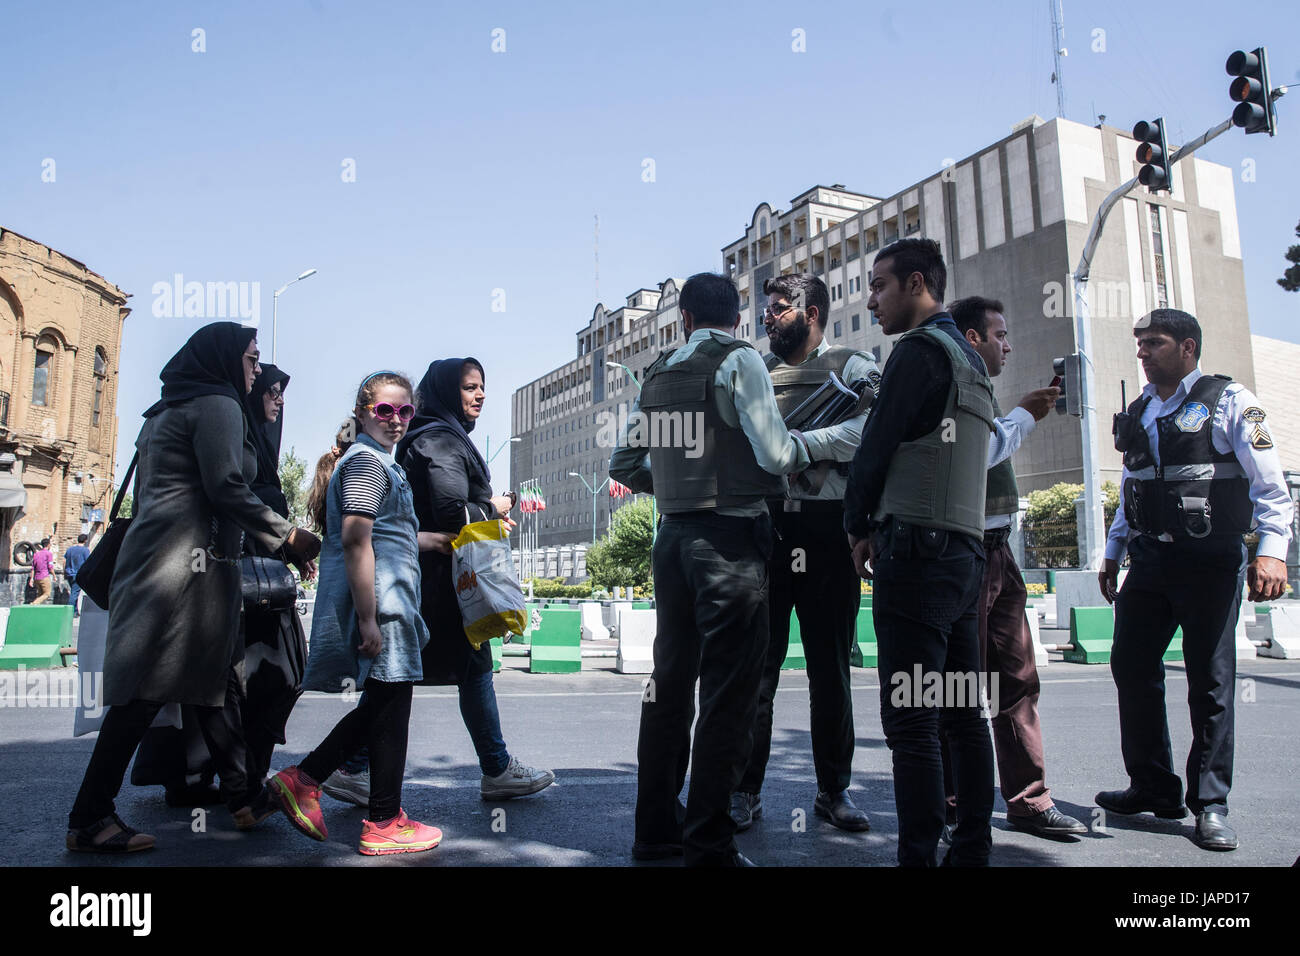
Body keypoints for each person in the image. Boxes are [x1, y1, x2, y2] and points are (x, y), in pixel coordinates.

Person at [65, 322, 320, 853]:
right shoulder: (218, 405)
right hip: (180, 572)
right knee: (145, 692)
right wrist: (287, 536)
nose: (255, 369)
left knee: (215, 684)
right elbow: (226, 486)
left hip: (173, 565)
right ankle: (90, 816)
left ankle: (244, 795)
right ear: (226, 360)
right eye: (251, 360)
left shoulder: (163, 410)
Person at [612, 271, 811, 867]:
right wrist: (822, 446)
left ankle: (655, 834)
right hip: (729, 545)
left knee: (668, 688)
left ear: (682, 320)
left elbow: (625, 462)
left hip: (672, 543)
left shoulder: (658, 371)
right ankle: (709, 844)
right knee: (730, 695)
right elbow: (776, 452)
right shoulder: (740, 360)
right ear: (737, 319)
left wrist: (675, 489)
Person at [1096, 309, 1292, 852]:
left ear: (1187, 347)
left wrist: (1271, 552)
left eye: (1153, 343)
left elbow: (1271, 487)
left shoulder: (1231, 401)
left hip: (1210, 562)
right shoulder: (1140, 409)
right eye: (1139, 344)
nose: (1142, 352)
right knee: (1131, 667)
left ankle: (1210, 804)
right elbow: (1134, 488)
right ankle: (1153, 785)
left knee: (1210, 681)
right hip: (1148, 563)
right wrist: (1112, 552)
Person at [842, 238, 996, 867]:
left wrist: (856, 525)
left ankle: (917, 856)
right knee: (963, 714)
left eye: (879, 286)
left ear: (913, 283)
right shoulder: (973, 361)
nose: (873, 300)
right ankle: (973, 850)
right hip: (964, 558)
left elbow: (875, 447)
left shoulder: (918, 352)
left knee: (911, 724)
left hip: (915, 556)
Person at [269, 371, 444, 856]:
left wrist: (440, 541)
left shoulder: (380, 464)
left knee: (382, 707)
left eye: (405, 411)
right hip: (385, 604)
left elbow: (388, 532)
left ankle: (301, 782)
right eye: (385, 410)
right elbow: (355, 538)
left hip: (393, 599)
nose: (396, 420)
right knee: (390, 707)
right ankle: (383, 819)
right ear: (363, 412)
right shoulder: (367, 463)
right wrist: (367, 619)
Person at [730, 273, 879, 834]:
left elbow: (874, 429)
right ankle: (745, 790)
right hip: (765, 528)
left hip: (827, 530)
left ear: (812, 312)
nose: (769, 317)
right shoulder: (756, 373)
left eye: (781, 308)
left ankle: (834, 791)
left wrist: (799, 447)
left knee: (830, 669)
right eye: (767, 308)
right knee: (758, 670)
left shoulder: (852, 365)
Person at [944, 295, 1085, 840]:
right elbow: (972, 455)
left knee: (1017, 679)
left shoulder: (980, 386)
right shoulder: (954, 383)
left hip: (999, 548)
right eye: (1000, 334)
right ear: (973, 338)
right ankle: (951, 803)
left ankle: (1028, 799)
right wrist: (1025, 414)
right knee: (957, 685)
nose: (1009, 344)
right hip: (965, 550)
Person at [392, 357, 553, 801]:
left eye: (482, 386)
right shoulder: (440, 441)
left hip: (437, 579)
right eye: (469, 388)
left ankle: (355, 767)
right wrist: (495, 507)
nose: (480, 395)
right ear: (447, 392)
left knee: (416, 673)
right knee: (437, 671)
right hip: (444, 584)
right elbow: (451, 514)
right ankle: (496, 769)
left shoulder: (430, 436)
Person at [240, 363, 311, 792]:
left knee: (269, 682)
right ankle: (243, 782)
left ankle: (239, 776)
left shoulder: (261, 450)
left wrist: (289, 550)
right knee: (270, 679)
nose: (278, 401)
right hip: (246, 589)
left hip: (264, 585)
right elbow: (236, 502)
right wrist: (288, 537)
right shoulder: (240, 443)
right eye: (271, 392)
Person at [63, 534, 91, 616]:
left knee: (73, 592)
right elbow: (88, 563)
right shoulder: (85, 550)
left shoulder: (70, 549)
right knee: (74, 594)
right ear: (85, 540)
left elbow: (64, 561)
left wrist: (64, 571)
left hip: (69, 574)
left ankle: (75, 611)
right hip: (78, 575)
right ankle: (70, 612)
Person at [28, 538, 54, 604]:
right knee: (47, 594)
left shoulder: (36, 554)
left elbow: (33, 568)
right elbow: (50, 566)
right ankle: (34, 604)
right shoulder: (49, 554)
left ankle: (36, 609)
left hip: (37, 577)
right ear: (48, 545)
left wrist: (31, 579)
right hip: (44, 576)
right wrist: (54, 575)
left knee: (40, 594)